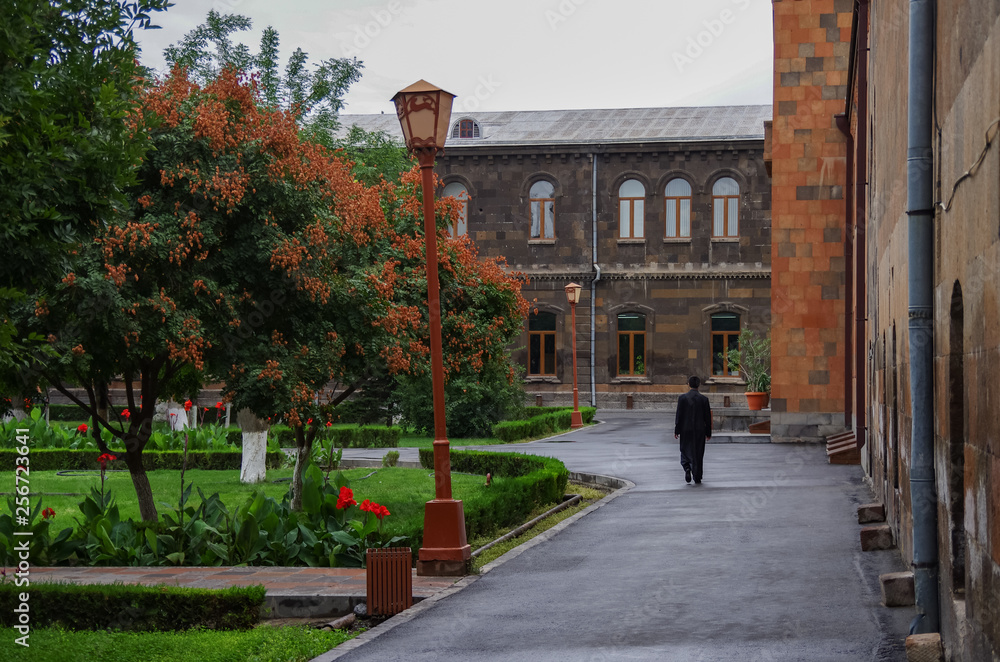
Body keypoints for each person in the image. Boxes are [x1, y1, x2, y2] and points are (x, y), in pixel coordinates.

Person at [674, 375, 712, 484]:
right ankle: (697, 475)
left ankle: (687, 467)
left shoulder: (682, 398)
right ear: (699, 385)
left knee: (685, 449)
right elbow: (707, 418)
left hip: (685, 429)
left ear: (688, 384)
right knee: (698, 452)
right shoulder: (704, 399)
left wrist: (677, 430)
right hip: (700, 429)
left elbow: (679, 416)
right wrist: (708, 432)